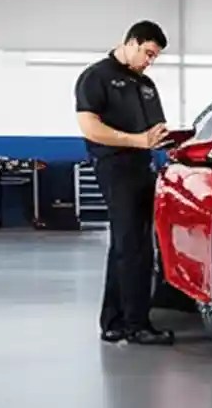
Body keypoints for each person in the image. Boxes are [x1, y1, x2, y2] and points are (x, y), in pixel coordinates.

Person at [75, 21, 176, 346]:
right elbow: (90, 128)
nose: (150, 60)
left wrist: (171, 141)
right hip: (114, 166)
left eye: (155, 56)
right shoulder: (97, 76)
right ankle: (136, 325)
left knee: (126, 243)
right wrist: (137, 140)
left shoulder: (145, 85)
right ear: (131, 42)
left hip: (142, 166)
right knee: (133, 244)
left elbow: (154, 130)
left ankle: (114, 321)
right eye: (147, 53)